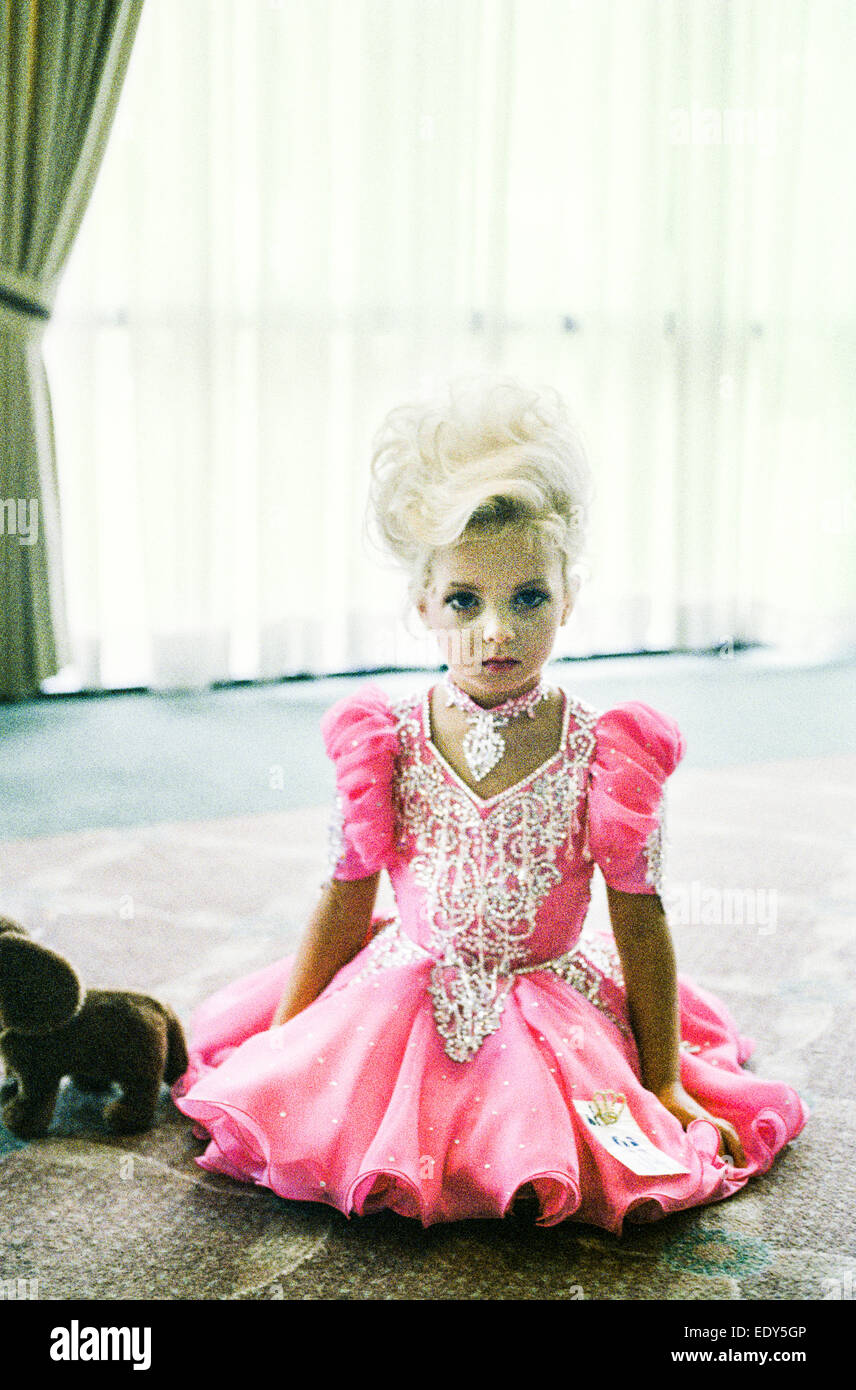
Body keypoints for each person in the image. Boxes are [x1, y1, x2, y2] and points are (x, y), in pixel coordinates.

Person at [172, 376, 808, 1233]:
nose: (497, 631)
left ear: (569, 598)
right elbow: (346, 894)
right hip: (400, 990)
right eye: (466, 601)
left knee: (557, 1139)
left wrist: (661, 1080)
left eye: (528, 598)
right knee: (333, 1103)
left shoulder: (605, 755)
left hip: (546, 999)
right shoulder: (386, 743)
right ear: (424, 605)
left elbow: (639, 919)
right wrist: (287, 1037)